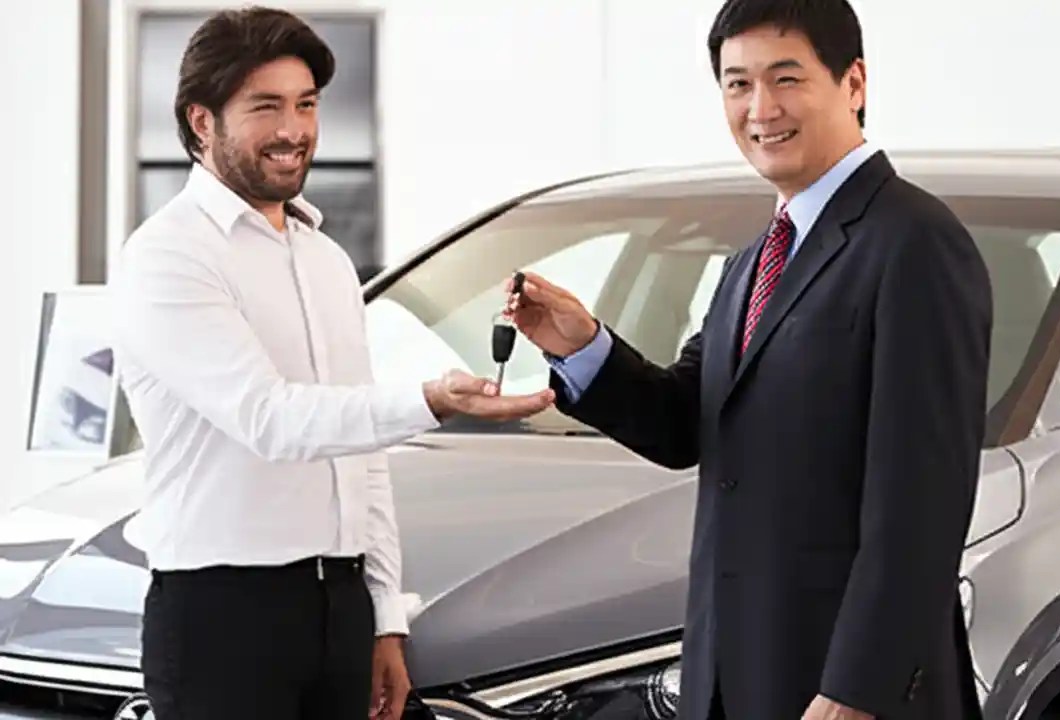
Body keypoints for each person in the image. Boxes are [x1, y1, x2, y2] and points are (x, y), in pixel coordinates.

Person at [505, 1, 991, 719]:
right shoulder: (754, 260)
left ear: (853, 82)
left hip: (843, 690)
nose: (760, 108)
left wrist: (856, 690)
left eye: (785, 78)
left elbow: (921, 509)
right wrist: (583, 347)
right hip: (738, 675)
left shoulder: (913, 244)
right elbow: (687, 424)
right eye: (737, 85)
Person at [110, 7, 554, 720]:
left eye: (307, 104)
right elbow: (270, 419)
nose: (294, 129)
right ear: (201, 121)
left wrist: (383, 615)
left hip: (338, 612)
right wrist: (433, 398)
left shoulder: (325, 258)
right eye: (266, 107)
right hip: (223, 618)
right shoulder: (168, 256)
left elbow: (361, 453)